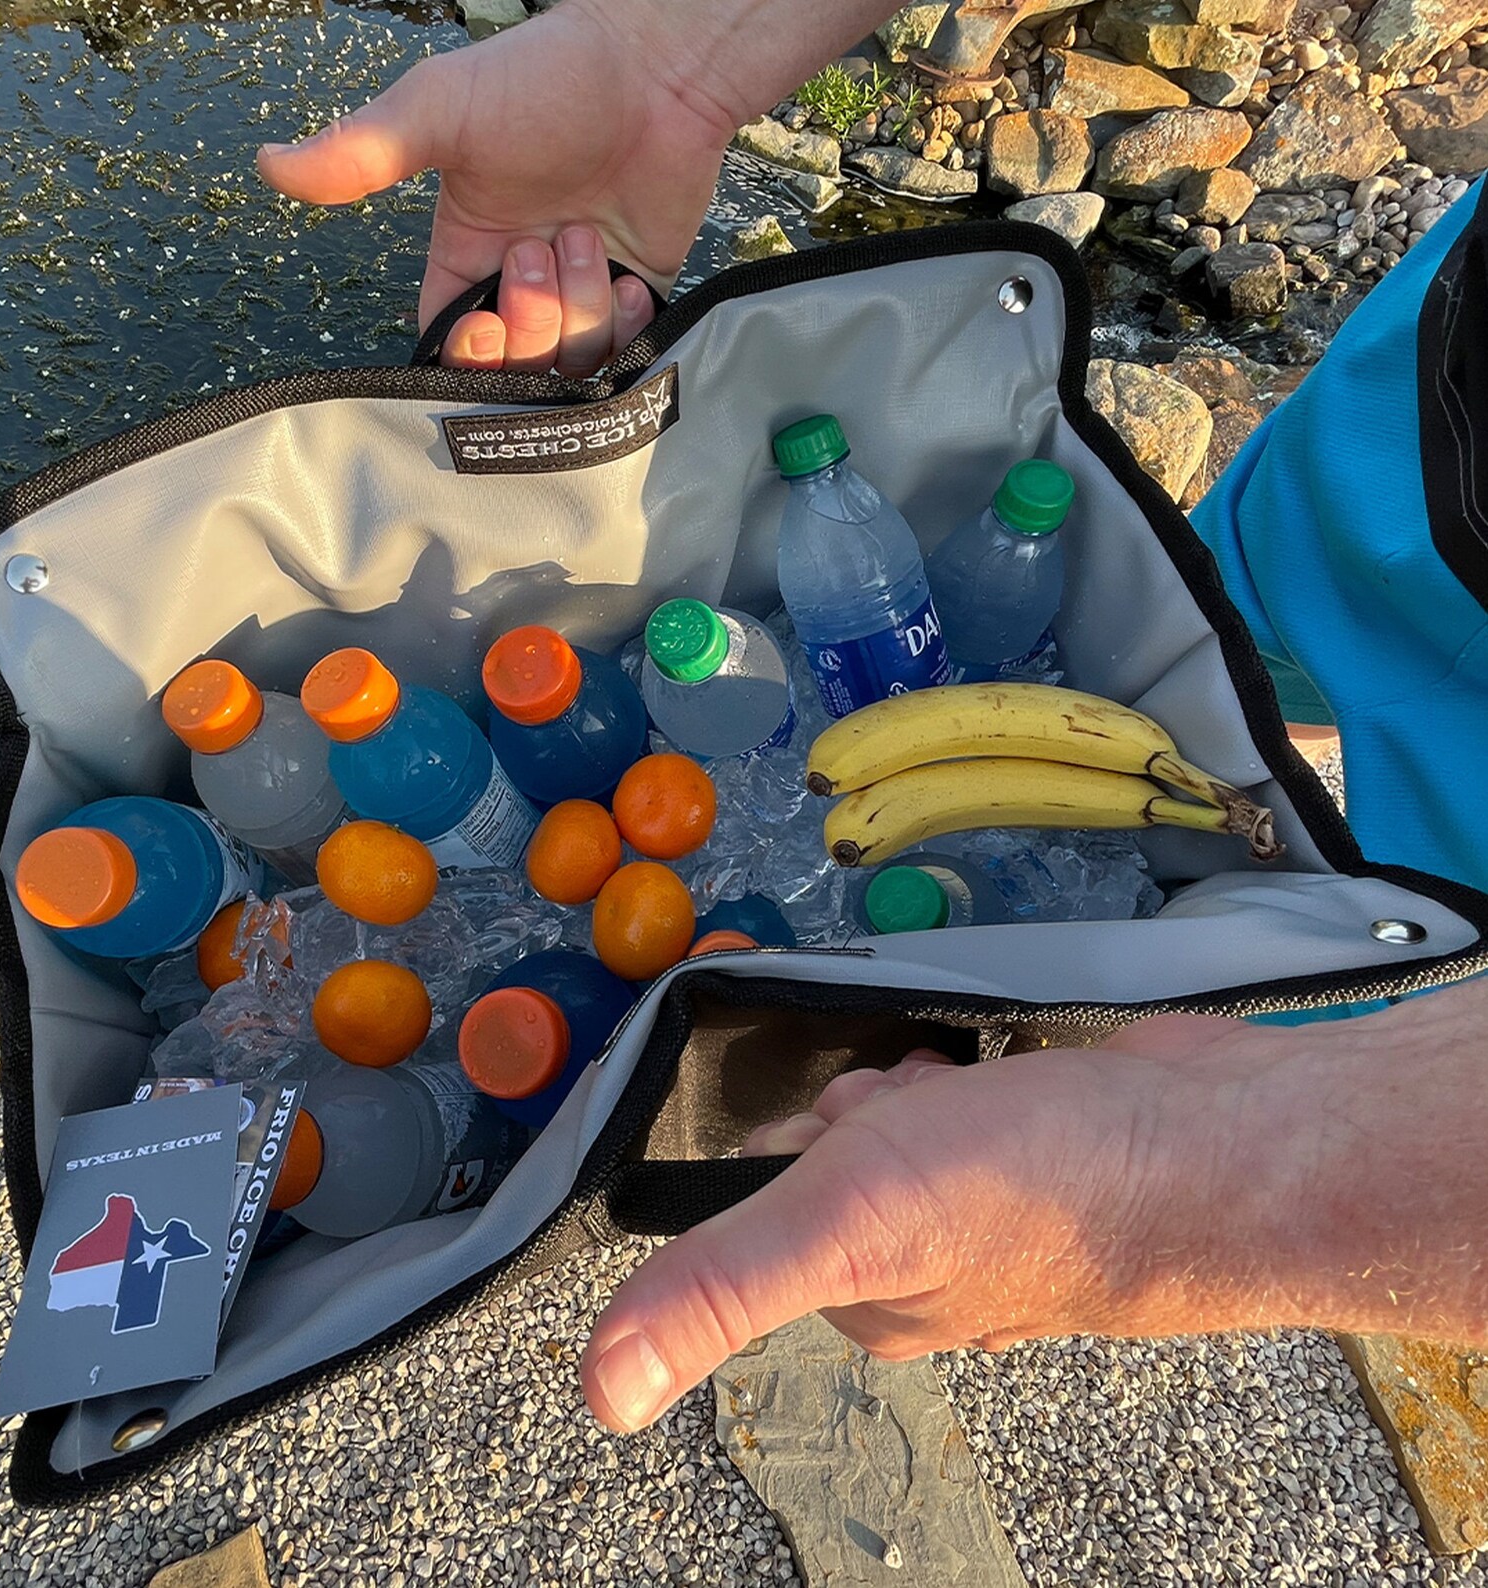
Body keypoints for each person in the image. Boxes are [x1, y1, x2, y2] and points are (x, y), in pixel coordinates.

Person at [256, 0, 1488, 1437]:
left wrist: (1200, 1177)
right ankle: (1254, 811)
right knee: (1213, 675)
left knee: (1316, 958)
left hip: (1449, 922)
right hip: (1347, 491)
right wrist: (681, 59)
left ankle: (1291, 894)